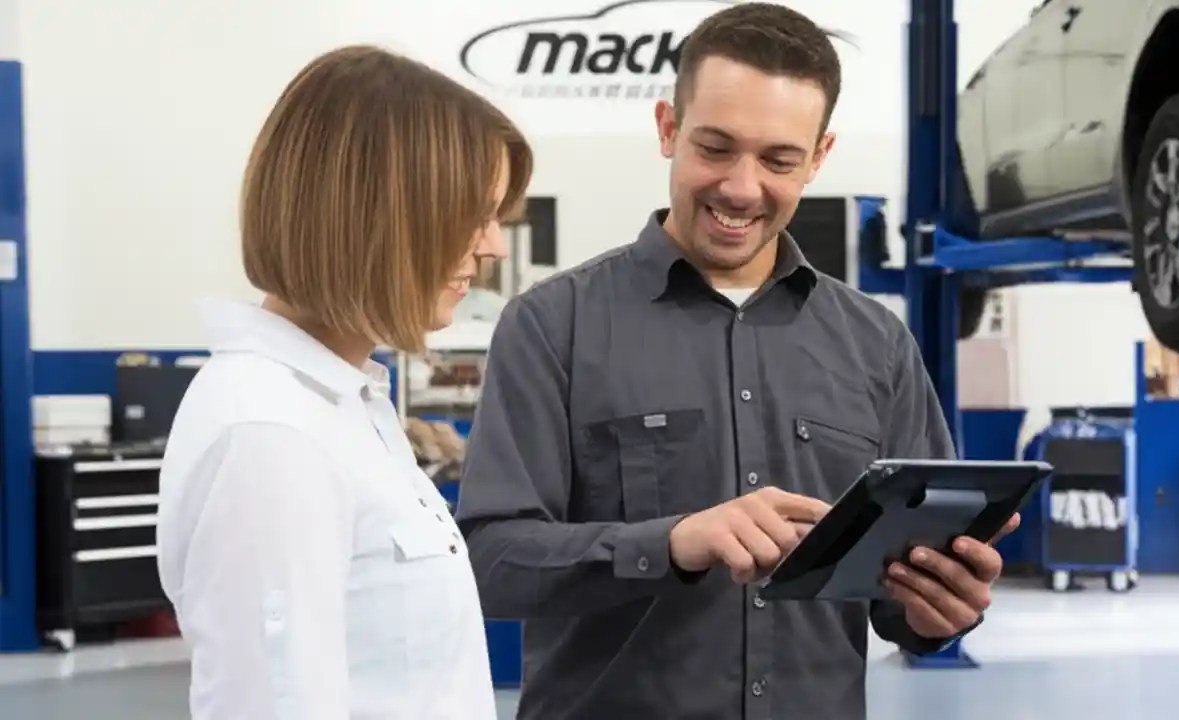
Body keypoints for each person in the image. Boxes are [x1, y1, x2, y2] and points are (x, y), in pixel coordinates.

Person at [455, 4, 1017, 719]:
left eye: (779, 160)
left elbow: (897, 601)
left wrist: (939, 612)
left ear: (818, 156)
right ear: (668, 128)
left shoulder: (877, 345)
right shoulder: (552, 326)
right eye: (715, 148)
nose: (742, 188)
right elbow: (490, 563)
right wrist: (674, 542)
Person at [156, 45, 532, 719]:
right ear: (379, 215)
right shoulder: (271, 433)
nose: (495, 246)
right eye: (476, 214)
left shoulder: (344, 405)